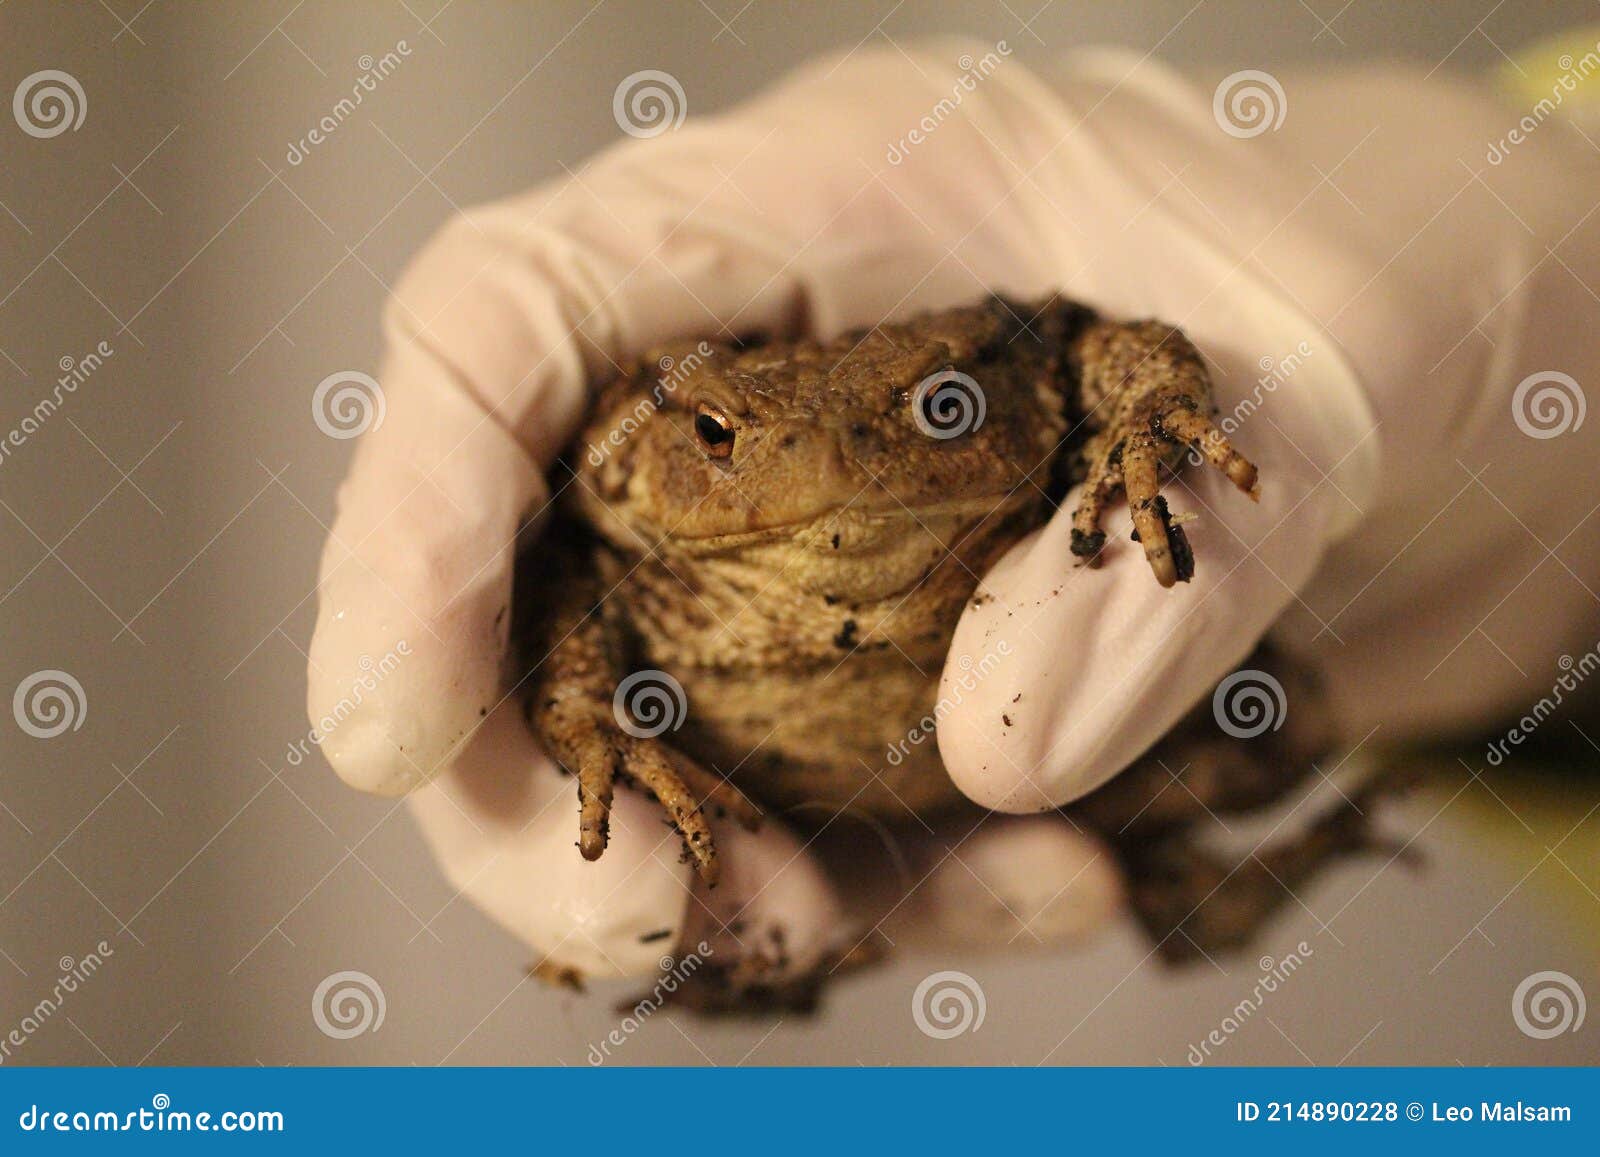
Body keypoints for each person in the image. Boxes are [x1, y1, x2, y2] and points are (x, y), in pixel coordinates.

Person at [306, 35, 1600, 986]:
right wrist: (586, 718)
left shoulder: (993, 374)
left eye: (906, 413)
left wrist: (1156, 410)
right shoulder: (643, 507)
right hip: (813, 790)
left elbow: (1090, 347)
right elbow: (566, 586)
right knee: (679, 916)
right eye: (720, 434)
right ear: (675, 438)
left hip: (1138, 702)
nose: (832, 463)